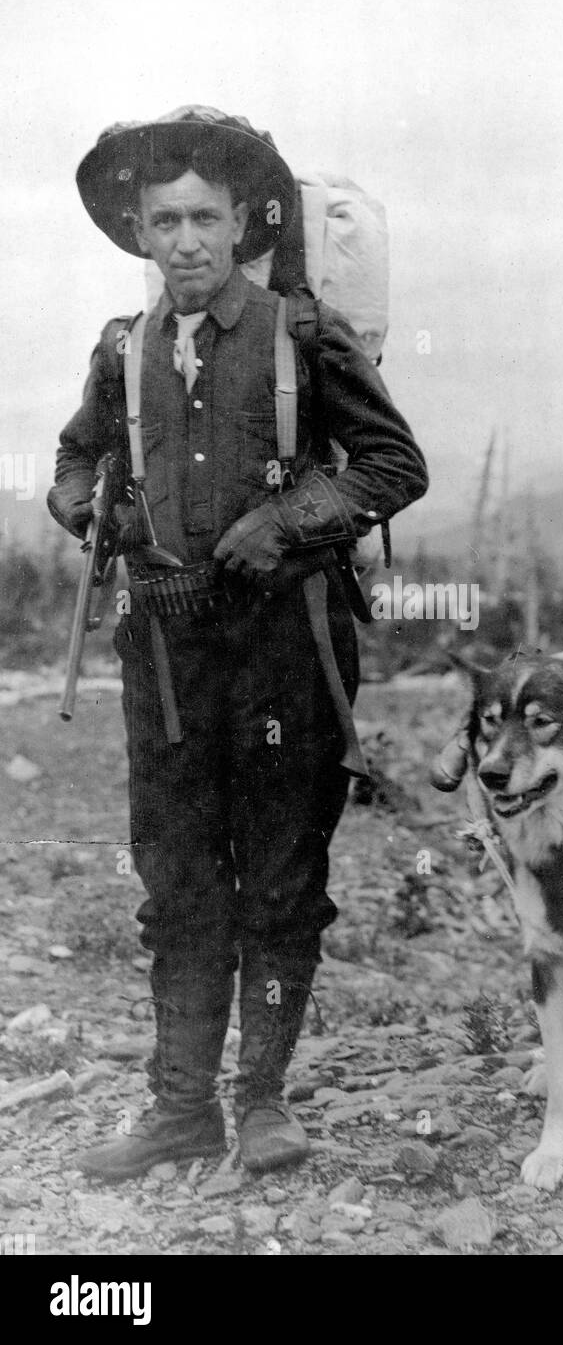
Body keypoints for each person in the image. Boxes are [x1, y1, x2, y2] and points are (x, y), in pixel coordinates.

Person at [47, 106, 428, 1181]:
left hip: (284, 650)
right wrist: (88, 510)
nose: (185, 241)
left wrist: (295, 521)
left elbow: (395, 463)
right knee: (175, 881)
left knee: (278, 877)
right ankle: (179, 1109)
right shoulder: (123, 351)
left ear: (242, 224)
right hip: (163, 654)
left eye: (204, 217)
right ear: (139, 229)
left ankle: (260, 1103)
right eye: (163, 219)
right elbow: (74, 460)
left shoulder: (302, 335)